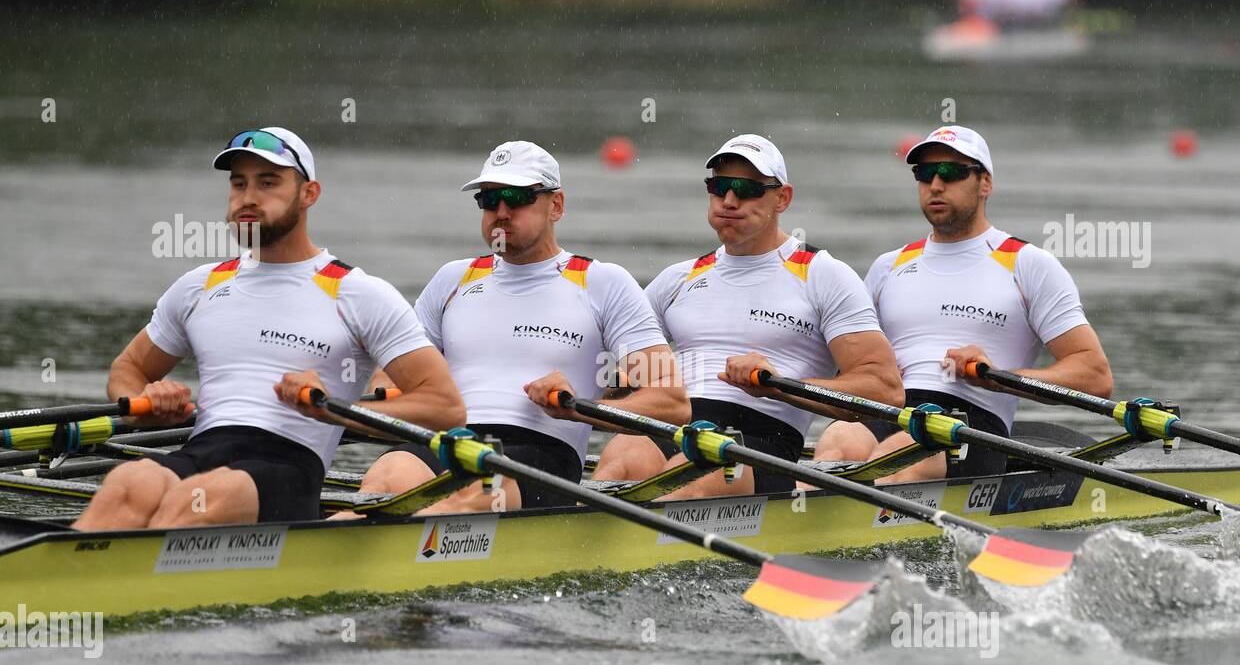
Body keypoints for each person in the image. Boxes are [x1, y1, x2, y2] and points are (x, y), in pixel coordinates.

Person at [73, 127, 464, 530]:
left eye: (268, 182)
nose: (248, 197)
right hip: (203, 448)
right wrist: (143, 403)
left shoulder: (359, 294)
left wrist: (335, 411)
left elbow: (445, 407)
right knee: (126, 482)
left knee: (195, 502)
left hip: (287, 468)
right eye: (238, 183)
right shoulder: (200, 286)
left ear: (309, 193)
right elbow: (128, 369)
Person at [345, 140, 687, 514]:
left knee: (470, 496)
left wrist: (580, 408)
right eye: (489, 200)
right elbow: (389, 383)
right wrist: (374, 399)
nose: (501, 212)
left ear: (556, 205)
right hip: (447, 443)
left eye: (516, 198)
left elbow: (671, 402)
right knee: (383, 478)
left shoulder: (603, 283)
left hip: (541, 456)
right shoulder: (452, 279)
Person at [594, 134, 903, 497]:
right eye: (719, 186)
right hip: (675, 428)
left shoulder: (823, 275)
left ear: (782, 198)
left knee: (688, 479)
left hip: (759, 443)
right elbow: (612, 369)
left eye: (746, 189)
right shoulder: (677, 279)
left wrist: (777, 383)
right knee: (619, 459)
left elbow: (885, 390)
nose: (729, 200)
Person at [812, 125, 1112, 482]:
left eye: (951, 173)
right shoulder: (887, 266)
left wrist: (998, 378)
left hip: (971, 423)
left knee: (897, 456)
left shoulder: (1028, 265)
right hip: (889, 410)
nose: (936, 185)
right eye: (925, 174)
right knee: (836, 440)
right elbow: (845, 366)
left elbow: (1095, 375)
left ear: (985, 183)